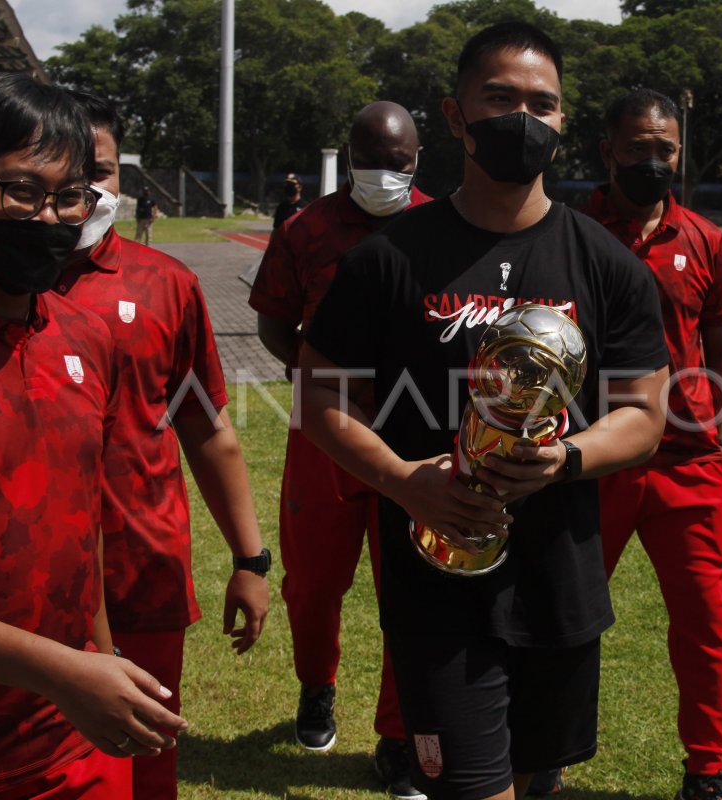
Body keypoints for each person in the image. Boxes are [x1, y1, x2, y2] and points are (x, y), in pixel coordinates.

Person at [297, 22, 670, 800]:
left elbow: (644, 413)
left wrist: (564, 460)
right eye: (499, 98)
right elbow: (319, 400)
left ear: (565, 123)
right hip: (437, 576)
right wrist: (403, 478)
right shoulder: (387, 259)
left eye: (544, 103)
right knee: (469, 788)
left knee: (535, 785)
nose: (523, 118)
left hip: (560, 579)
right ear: (455, 113)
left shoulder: (609, 266)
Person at [0, 71, 186, 798]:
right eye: (23, 192)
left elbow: (78, 520)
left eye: (70, 197)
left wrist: (96, 658)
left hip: (74, 741)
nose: (50, 218)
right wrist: (60, 670)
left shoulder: (82, 335)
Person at [58, 90, 271, 800]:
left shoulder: (165, 286)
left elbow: (207, 429)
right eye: (66, 168)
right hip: (21, 588)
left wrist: (250, 558)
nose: (89, 187)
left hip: (141, 572)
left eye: (104, 170)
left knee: (144, 762)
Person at [250, 100, 431, 799]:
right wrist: (311, 379)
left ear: (418, 161)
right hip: (324, 436)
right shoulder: (308, 228)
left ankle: (397, 736)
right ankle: (316, 686)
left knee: (408, 589)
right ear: (348, 157)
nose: (386, 174)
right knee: (315, 584)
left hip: (411, 435)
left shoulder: (441, 226)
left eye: (400, 163)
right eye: (373, 161)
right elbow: (271, 317)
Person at [577, 88, 722, 800]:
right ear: (608, 149)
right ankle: (546, 752)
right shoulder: (570, 228)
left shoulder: (704, 238)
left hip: (687, 459)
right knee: (567, 614)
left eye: (665, 149)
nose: (653, 161)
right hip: (592, 456)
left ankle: (706, 767)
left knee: (704, 619)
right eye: (638, 148)